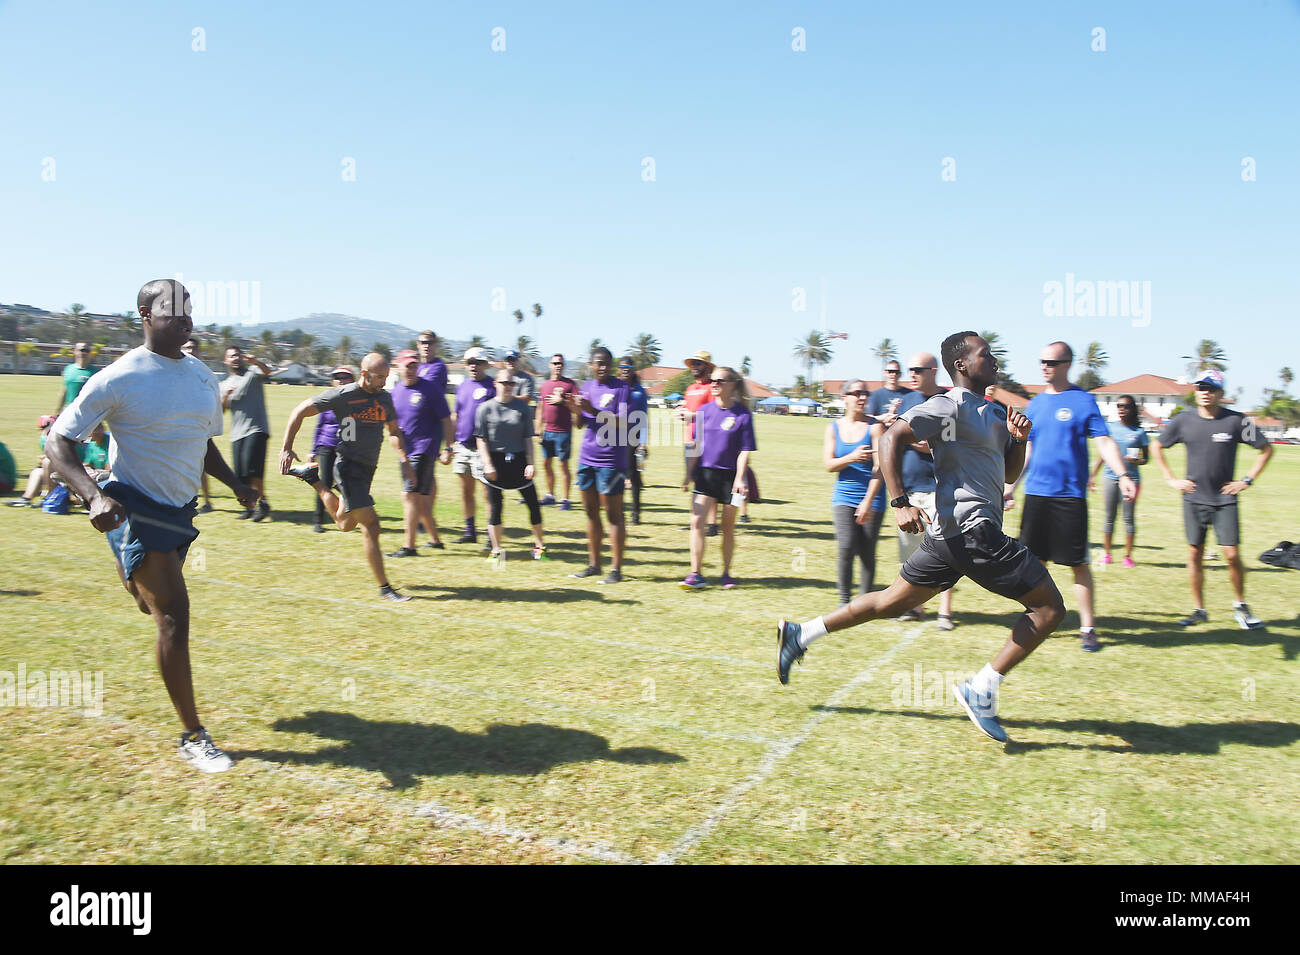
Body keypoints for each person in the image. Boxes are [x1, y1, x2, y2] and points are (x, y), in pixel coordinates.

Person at [776, 332, 1067, 744]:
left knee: (889, 602)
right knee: (1049, 609)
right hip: (973, 532)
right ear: (963, 365)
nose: (995, 360)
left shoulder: (993, 412)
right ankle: (981, 689)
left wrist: (1019, 440)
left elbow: (1006, 474)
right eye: (986, 355)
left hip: (950, 538)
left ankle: (800, 634)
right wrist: (899, 502)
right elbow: (890, 437)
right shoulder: (949, 406)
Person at [46, 278, 257, 772]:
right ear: (145, 314)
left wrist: (234, 485)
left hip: (179, 511)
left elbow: (202, 441)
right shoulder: (119, 377)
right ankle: (193, 735)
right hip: (132, 506)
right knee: (173, 617)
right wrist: (94, 495)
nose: (185, 316)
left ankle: (129, 568)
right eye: (172, 309)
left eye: (189, 308)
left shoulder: (202, 376)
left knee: (148, 603)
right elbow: (58, 443)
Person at [1005, 341, 1134, 652]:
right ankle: (1037, 618)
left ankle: (1088, 628)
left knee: (1078, 564)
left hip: (1069, 497)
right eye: (1042, 361)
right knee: (1034, 564)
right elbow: (1029, 450)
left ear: (1066, 364)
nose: (1044, 366)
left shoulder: (1083, 401)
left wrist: (1124, 474)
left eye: (1051, 361)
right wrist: (1011, 487)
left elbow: (1104, 443)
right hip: (1037, 495)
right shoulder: (1034, 404)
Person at [281, 353, 415, 601]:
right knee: (372, 526)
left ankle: (313, 479)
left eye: (386, 377)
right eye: (379, 377)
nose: (384, 382)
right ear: (364, 374)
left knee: (345, 523)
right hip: (348, 468)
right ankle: (386, 589)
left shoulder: (384, 398)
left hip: (367, 470)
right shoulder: (344, 395)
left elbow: (394, 431)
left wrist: (404, 461)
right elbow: (300, 410)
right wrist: (287, 447)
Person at [1151, 369, 1273, 629]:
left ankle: (1241, 606)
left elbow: (1266, 449)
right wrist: (1171, 479)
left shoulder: (1236, 421)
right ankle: (1199, 610)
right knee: (1194, 554)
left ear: (1220, 393)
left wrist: (1246, 481)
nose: (1204, 393)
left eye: (1210, 388)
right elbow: (1156, 446)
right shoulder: (1183, 421)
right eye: (1200, 388)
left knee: (1231, 555)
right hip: (1194, 499)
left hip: (1224, 499)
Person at [884, 353, 956, 629]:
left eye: (917, 369)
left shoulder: (947, 401)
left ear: (933, 370)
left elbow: (949, 442)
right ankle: (915, 607)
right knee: (912, 554)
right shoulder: (907, 401)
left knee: (946, 551)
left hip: (939, 488)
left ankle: (945, 612)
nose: (911, 374)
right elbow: (892, 440)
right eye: (909, 369)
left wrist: (925, 443)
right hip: (909, 488)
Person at [681, 367, 755, 589]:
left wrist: (740, 479)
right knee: (696, 521)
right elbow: (697, 446)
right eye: (712, 381)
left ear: (732, 384)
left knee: (728, 526)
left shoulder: (743, 415)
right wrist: (688, 475)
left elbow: (745, 450)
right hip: (705, 475)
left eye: (719, 381)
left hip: (733, 480)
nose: (714, 384)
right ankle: (696, 573)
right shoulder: (704, 411)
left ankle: (726, 573)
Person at [567, 346, 632, 583]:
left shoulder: (623, 389)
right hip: (587, 458)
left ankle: (616, 570)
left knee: (613, 515)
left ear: (612, 365)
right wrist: (575, 409)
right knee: (591, 513)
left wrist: (590, 409)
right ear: (591, 365)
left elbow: (624, 424)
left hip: (612, 460)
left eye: (606, 363)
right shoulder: (588, 387)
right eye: (598, 363)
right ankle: (594, 565)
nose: (602, 367)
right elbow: (579, 424)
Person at [476, 369, 546, 560]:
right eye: (504, 383)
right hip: (495, 461)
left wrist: (530, 463)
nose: (507, 387)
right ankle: (497, 550)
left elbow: (527, 438)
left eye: (511, 384)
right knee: (496, 506)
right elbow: (481, 440)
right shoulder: (485, 408)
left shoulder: (522, 408)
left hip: (519, 459)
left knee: (533, 504)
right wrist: (487, 464)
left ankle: (539, 548)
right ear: (496, 384)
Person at [387, 354, 453, 557]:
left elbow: (446, 419)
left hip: (423, 449)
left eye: (414, 366)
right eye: (407, 366)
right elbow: (390, 424)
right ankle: (435, 540)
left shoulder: (430, 389)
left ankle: (409, 546)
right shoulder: (396, 392)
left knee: (410, 496)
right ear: (398, 367)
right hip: (405, 452)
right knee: (421, 500)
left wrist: (449, 447)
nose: (411, 370)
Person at [825, 380, 877, 604]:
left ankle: (863, 602)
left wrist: (868, 501)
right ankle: (844, 601)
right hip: (843, 496)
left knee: (866, 552)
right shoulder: (833, 428)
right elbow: (829, 465)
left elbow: (880, 468)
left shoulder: (875, 427)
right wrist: (852, 457)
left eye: (865, 393)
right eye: (857, 393)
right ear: (844, 397)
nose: (862, 397)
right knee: (846, 547)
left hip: (872, 498)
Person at [1088, 394, 1148, 567]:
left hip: (1132, 480)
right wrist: (1093, 474)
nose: (1122, 409)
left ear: (1132, 409)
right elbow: (1103, 454)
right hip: (1110, 478)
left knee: (1128, 518)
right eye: (1119, 406)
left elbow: (1146, 458)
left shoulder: (1139, 432)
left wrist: (1137, 461)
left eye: (1126, 406)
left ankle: (1128, 556)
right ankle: (1107, 554)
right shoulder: (1110, 428)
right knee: (1109, 517)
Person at [450, 348, 497, 546]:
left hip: (483, 448)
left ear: (485, 364)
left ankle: (490, 534)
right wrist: (451, 443)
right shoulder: (462, 386)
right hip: (463, 446)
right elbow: (456, 415)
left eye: (477, 362)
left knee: (488, 493)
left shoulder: (492, 387)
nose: (473, 366)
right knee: (465, 491)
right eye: (470, 362)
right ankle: (470, 531)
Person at [221, 346, 273, 521]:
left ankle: (263, 503)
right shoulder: (224, 385)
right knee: (241, 474)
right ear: (225, 361)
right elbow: (221, 411)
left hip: (256, 428)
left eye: (237, 355)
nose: (235, 358)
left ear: (242, 357)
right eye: (231, 356)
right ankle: (249, 507)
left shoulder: (253, 373)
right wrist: (225, 397)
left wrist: (256, 361)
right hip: (237, 433)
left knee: (253, 469)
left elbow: (268, 372)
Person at [308, 366, 353, 532]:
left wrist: (351, 449)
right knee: (325, 482)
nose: (341, 380)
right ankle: (318, 519)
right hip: (325, 445)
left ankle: (343, 515)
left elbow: (352, 428)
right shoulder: (327, 399)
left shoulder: (353, 400)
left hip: (343, 448)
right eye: (338, 377)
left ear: (352, 380)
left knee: (345, 483)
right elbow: (319, 426)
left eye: (345, 377)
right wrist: (313, 451)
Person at [679, 349, 718, 537]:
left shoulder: (712, 388)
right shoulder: (690, 389)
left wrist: (692, 415)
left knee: (708, 482)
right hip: (689, 440)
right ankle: (696, 519)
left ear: (707, 367)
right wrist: (682, 412)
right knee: (695, 482)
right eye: (692, 364)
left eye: (698, 363)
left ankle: (712, 524)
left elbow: (714, 413)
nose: (694, 367)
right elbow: (688, 410)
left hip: (707, 441)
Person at [536, 353, 578, 509]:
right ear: (549, 365)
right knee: (546, 464)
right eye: (554, 363)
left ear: (563, 366)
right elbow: (540, 408)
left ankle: (566, 500)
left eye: (560, 363)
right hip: (548, 431)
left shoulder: (570, 384)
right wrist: (537, 429)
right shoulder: (545, 385)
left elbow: (576, 408)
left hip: (563, 432)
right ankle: (550, 495)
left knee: (563, 465)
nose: (557, 365)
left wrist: (563, 401)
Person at [181, 340, 215, 512]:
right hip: (180, 429)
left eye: (194, 348)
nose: (191, 351)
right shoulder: (177, 372)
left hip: (200, 429)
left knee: (201, 465)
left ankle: (207, 501)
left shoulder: (204, 374)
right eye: (187, 348)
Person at [619, 359, 650, 525]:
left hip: (636, 438)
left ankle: (636, 515)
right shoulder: (616, 388)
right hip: (616, 437)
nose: (625, 370)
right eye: (622, 367)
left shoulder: (640, 392)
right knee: (618, 476)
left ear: (633, 370)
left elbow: (644, 418)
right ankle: (619, 513)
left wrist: (643, 443)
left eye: (628, 367)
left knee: (636, 476)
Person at [54, 341, 96, 415]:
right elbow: (64, 391)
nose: (85, 353)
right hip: (69, 412)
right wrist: (58, 411)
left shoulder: (95, 372)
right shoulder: (68, 369)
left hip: (87, 413)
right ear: (75, 351)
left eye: (87, 351)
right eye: (82, 350)